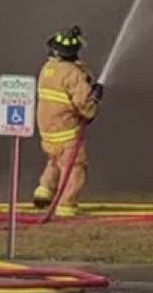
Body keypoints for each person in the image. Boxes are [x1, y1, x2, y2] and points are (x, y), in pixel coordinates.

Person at [33, 26, 103, 217]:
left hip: (47, 132)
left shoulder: (48, 69)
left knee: (55, 160)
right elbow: (84, 104)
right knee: (75, 167)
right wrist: (94, 100)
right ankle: (66, 205)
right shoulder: (73, 74)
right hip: (67, 132)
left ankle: (44, 191)